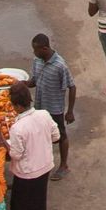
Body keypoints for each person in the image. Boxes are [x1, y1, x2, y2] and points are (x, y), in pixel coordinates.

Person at [5, 82, 59, 210]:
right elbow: (56, 136)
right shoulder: (44, 114)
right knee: (38, 199)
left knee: (20, 203)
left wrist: (2, 140)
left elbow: (16, 155)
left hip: (27, 172)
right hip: (45, 165)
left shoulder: (17, 128)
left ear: (18, 106)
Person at [29, 34, 76, 179]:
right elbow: (33, 81)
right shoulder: (37, 61)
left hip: (55, 108)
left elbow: (72, 87)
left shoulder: (60, 65)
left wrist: (70, 111)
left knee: (61, 135)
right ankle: (42, 161)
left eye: (35, 50)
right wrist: (21, 84)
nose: (34, 53)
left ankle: (64, 166)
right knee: (40, 134)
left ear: (44, 48)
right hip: (39, 107)